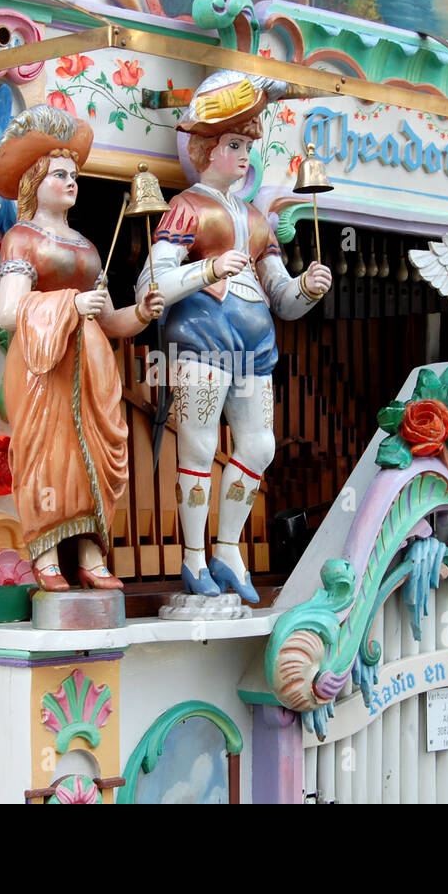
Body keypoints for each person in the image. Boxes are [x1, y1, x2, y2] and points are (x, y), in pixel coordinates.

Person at [139, 72, 332, 603]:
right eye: (234, 144)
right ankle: (194, 558)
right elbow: (150, 282)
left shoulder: (257, 218)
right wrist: (206, 270)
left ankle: (228, 548)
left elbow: (282, 298)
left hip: (254, 347)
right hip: (202, 340)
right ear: (205, 149)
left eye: (249, 145)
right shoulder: (187, 208)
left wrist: (307, 289)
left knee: (260, 445)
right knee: (199, 444)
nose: (244, 154)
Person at [0, 105, 165, 592]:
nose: (71, 181)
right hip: (44, 368)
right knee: (48, 456)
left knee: (95, 451)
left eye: (74, 174)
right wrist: (70, 302)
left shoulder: (88, 246)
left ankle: (91, 555)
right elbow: (8, 312)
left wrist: (142, 313)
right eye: (59, 174)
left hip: (92, 368)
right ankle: (46, 555)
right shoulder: (22, 239)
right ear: (35, 180)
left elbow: (108, 320)